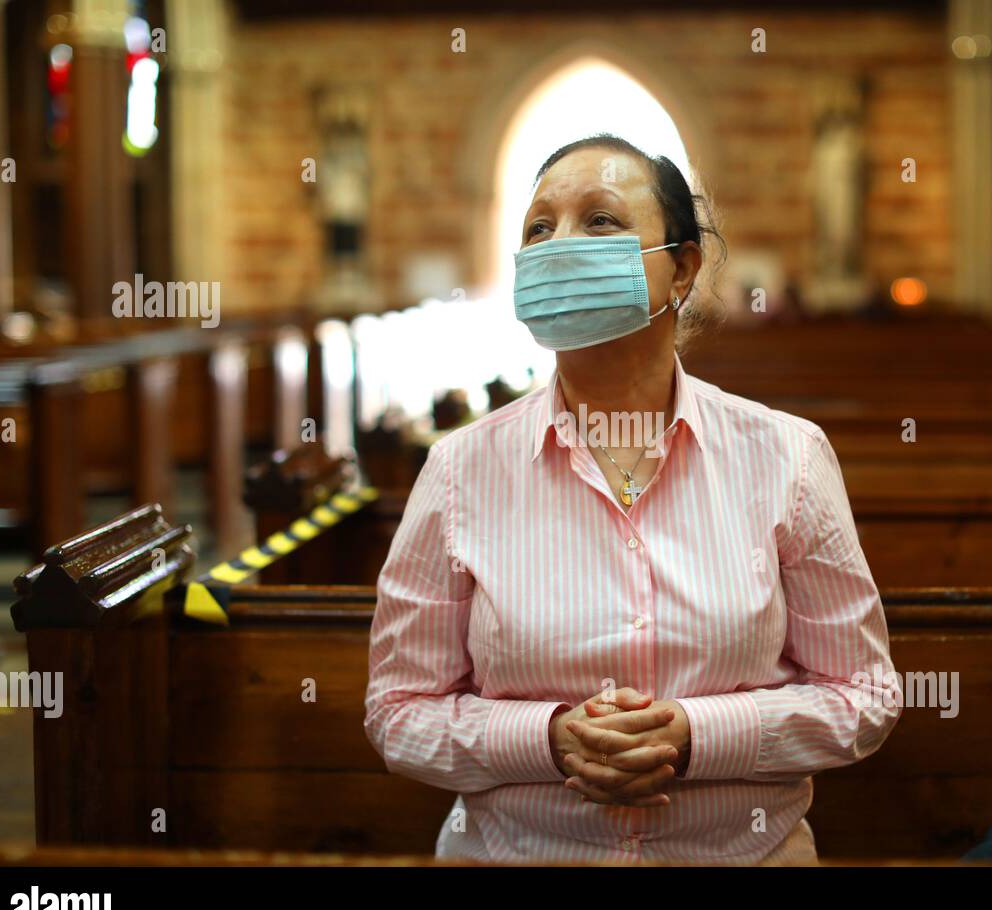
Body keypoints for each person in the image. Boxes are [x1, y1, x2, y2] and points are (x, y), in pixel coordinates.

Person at [364, 133, 900, 864]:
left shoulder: (785, 457)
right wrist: (547, 740)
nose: (560, 245)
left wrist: (697, 734)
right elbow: (398, 712)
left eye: (601, 221)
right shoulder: (461, 469)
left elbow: (862, 694)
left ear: (681, 270)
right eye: (539, 228)